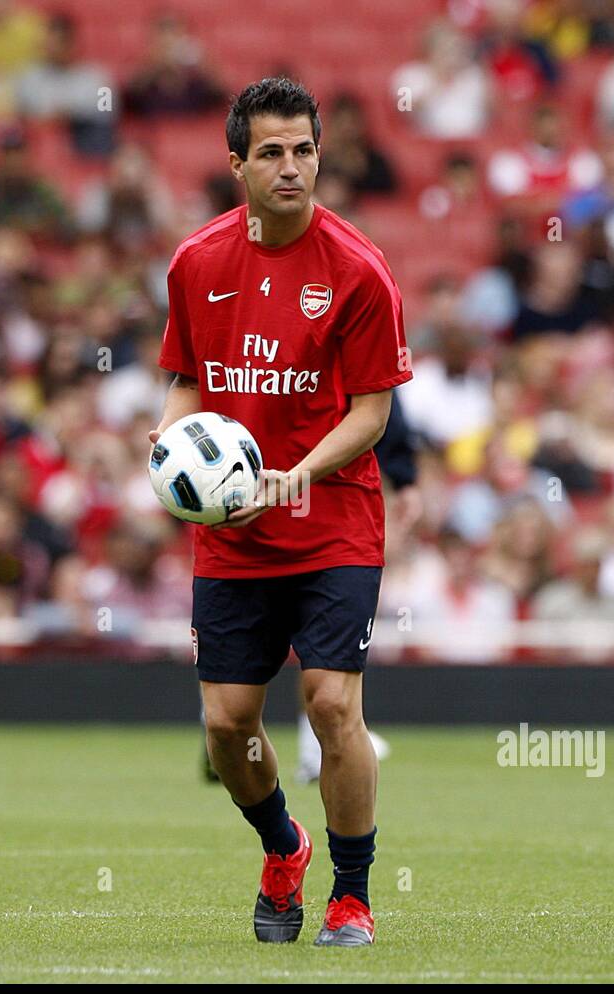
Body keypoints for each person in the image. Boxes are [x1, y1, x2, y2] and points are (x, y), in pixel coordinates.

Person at [150, 78, 411, 947]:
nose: (292, 166)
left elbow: (371, 414)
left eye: (303, 149)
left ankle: (352, 895)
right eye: (271, 152)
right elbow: (187, 375)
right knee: (227, 725)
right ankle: (281, 845)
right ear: (237, 164)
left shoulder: (360, 270)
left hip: (333, 516)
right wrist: (173, 441)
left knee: (333, 704)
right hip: (232, 530)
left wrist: (291, 475)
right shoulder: (196, 263)